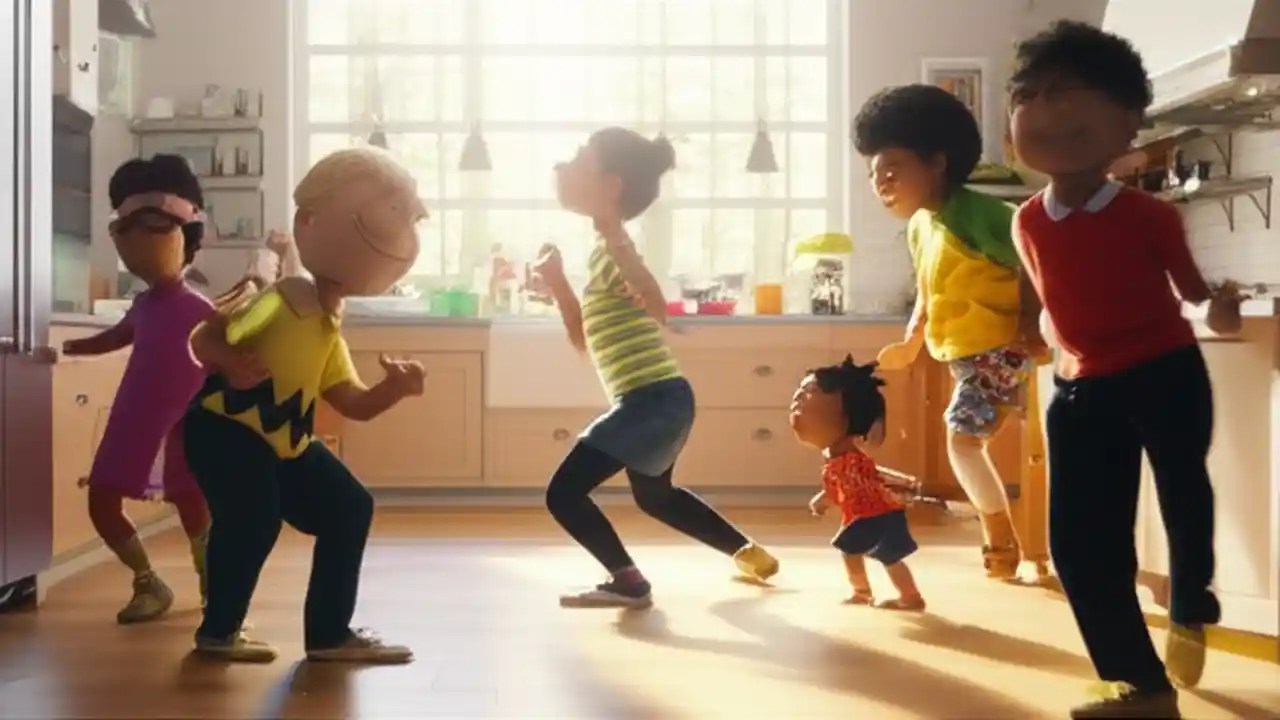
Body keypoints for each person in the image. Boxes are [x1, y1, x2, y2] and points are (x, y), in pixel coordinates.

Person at [1008, 21, 1234, 718]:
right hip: (1083, 387)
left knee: (1181, 493)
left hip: (1165, 373)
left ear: (1126, 123)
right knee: (1076, 541)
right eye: (1030, 96)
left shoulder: (1148, 215)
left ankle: (1192, 600)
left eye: (1066, 93)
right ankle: (1139, 684)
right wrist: (1030, 336)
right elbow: (1045, 294)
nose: (1044, 111)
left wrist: (1218, 310)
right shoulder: (1027, 221)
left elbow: (1194, 295)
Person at [184, 147, 428, 663]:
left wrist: (394, 389)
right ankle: (219, 631)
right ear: (309, 222)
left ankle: (328, 635)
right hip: (225, 429)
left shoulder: (327, 326)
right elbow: (203, 339)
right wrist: (230, 361)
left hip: (283, 440)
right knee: (254, 519)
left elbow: (354, 403)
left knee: (349, 507)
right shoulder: (282, 299)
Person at [533, 127, 779, 608]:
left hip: (652, 400)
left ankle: (629, 583)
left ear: (610, 185)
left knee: (563, 494)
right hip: (662, 399)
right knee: (655, 497)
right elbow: (585, 339)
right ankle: (749, 553)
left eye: (579, 160)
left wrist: (614, 237)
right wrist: (559, 284)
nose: (563, 167)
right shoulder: (604, 253)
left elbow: (651, 298)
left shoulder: (615, 246)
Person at [854, 84, 1045, 580]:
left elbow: (1036, 262)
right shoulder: (921, 224)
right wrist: (912, 339)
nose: (881, 183)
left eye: (892, 169)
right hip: (964, 355)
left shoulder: (983, 216)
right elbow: (926, 287)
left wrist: (1029, 323)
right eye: (874, 174)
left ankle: (1001, 538)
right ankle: (1013, 541)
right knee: (971, 442)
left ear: (937, 162)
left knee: (962, 442)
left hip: (1001, 352)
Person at [64, 155, 217, 624]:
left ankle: (217, 585)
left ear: (186, 237)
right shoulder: (144, 304)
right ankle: (147, 581)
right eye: (123, 229)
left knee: (192, 500)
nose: (134, 241)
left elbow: (224, 354)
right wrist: (67, 347)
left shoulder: (200, 308)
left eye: (151, 225)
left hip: (186, 422)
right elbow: (115, 338)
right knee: (103, 498)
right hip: (133, 416)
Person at [792, 356, 923, 610]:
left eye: (811, 392)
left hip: (873, 515)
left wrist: (902, 485)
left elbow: (866, 479)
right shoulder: (839, 459)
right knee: (890, 557)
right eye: (801, 390)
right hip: (882, 514)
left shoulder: (848, 459)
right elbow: (845, 484)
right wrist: (823, 499)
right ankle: (910, 596)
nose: (798, 399)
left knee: (850, 549)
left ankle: (861, 592)